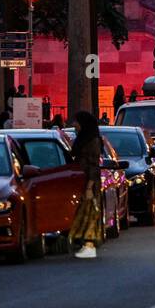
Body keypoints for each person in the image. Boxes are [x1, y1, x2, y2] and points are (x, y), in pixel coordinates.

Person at [68, 110, 105, 259]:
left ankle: (88, 243)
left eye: (76, 122)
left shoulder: (93, 141)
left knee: (89, 212)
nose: (74, 125)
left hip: (89, 183)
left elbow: (94, 165)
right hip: (80, 180)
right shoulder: (82, 139)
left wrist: (90, 187)